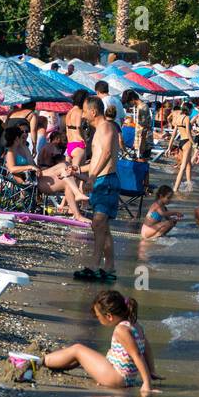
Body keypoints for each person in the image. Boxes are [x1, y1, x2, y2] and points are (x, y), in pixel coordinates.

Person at [43, 292, 159, 394]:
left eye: (98, 316)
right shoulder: (135, 325)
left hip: (116, 377)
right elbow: (146, 349)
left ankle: (41, 360)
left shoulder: (121, 330)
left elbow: (137, 355)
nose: (97, 319)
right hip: (126, 378)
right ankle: (56, 364)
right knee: (80, 358)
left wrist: (147, 384)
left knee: (77, 349)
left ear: (109, 316)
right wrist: (151, 371)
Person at [75, 96, 119, 283]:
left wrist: (92, 177)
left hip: (106, 181)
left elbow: (108, 153)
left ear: (93, 112)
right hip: (101, 181)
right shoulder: (99, 130)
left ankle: (95, 265)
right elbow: (95, 161)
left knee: (98, 224)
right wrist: (77, 170)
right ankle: (109, 267)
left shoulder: (107, 127)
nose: (83, 115)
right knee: (103, 228)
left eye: (84, 111)